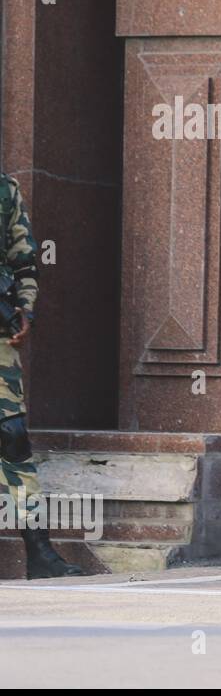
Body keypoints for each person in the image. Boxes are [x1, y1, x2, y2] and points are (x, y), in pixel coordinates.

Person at [0, 173, 85, 579]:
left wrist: (25, 308)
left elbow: (23, 258)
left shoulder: (5, 188)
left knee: (12, 436)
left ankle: (40, 553)